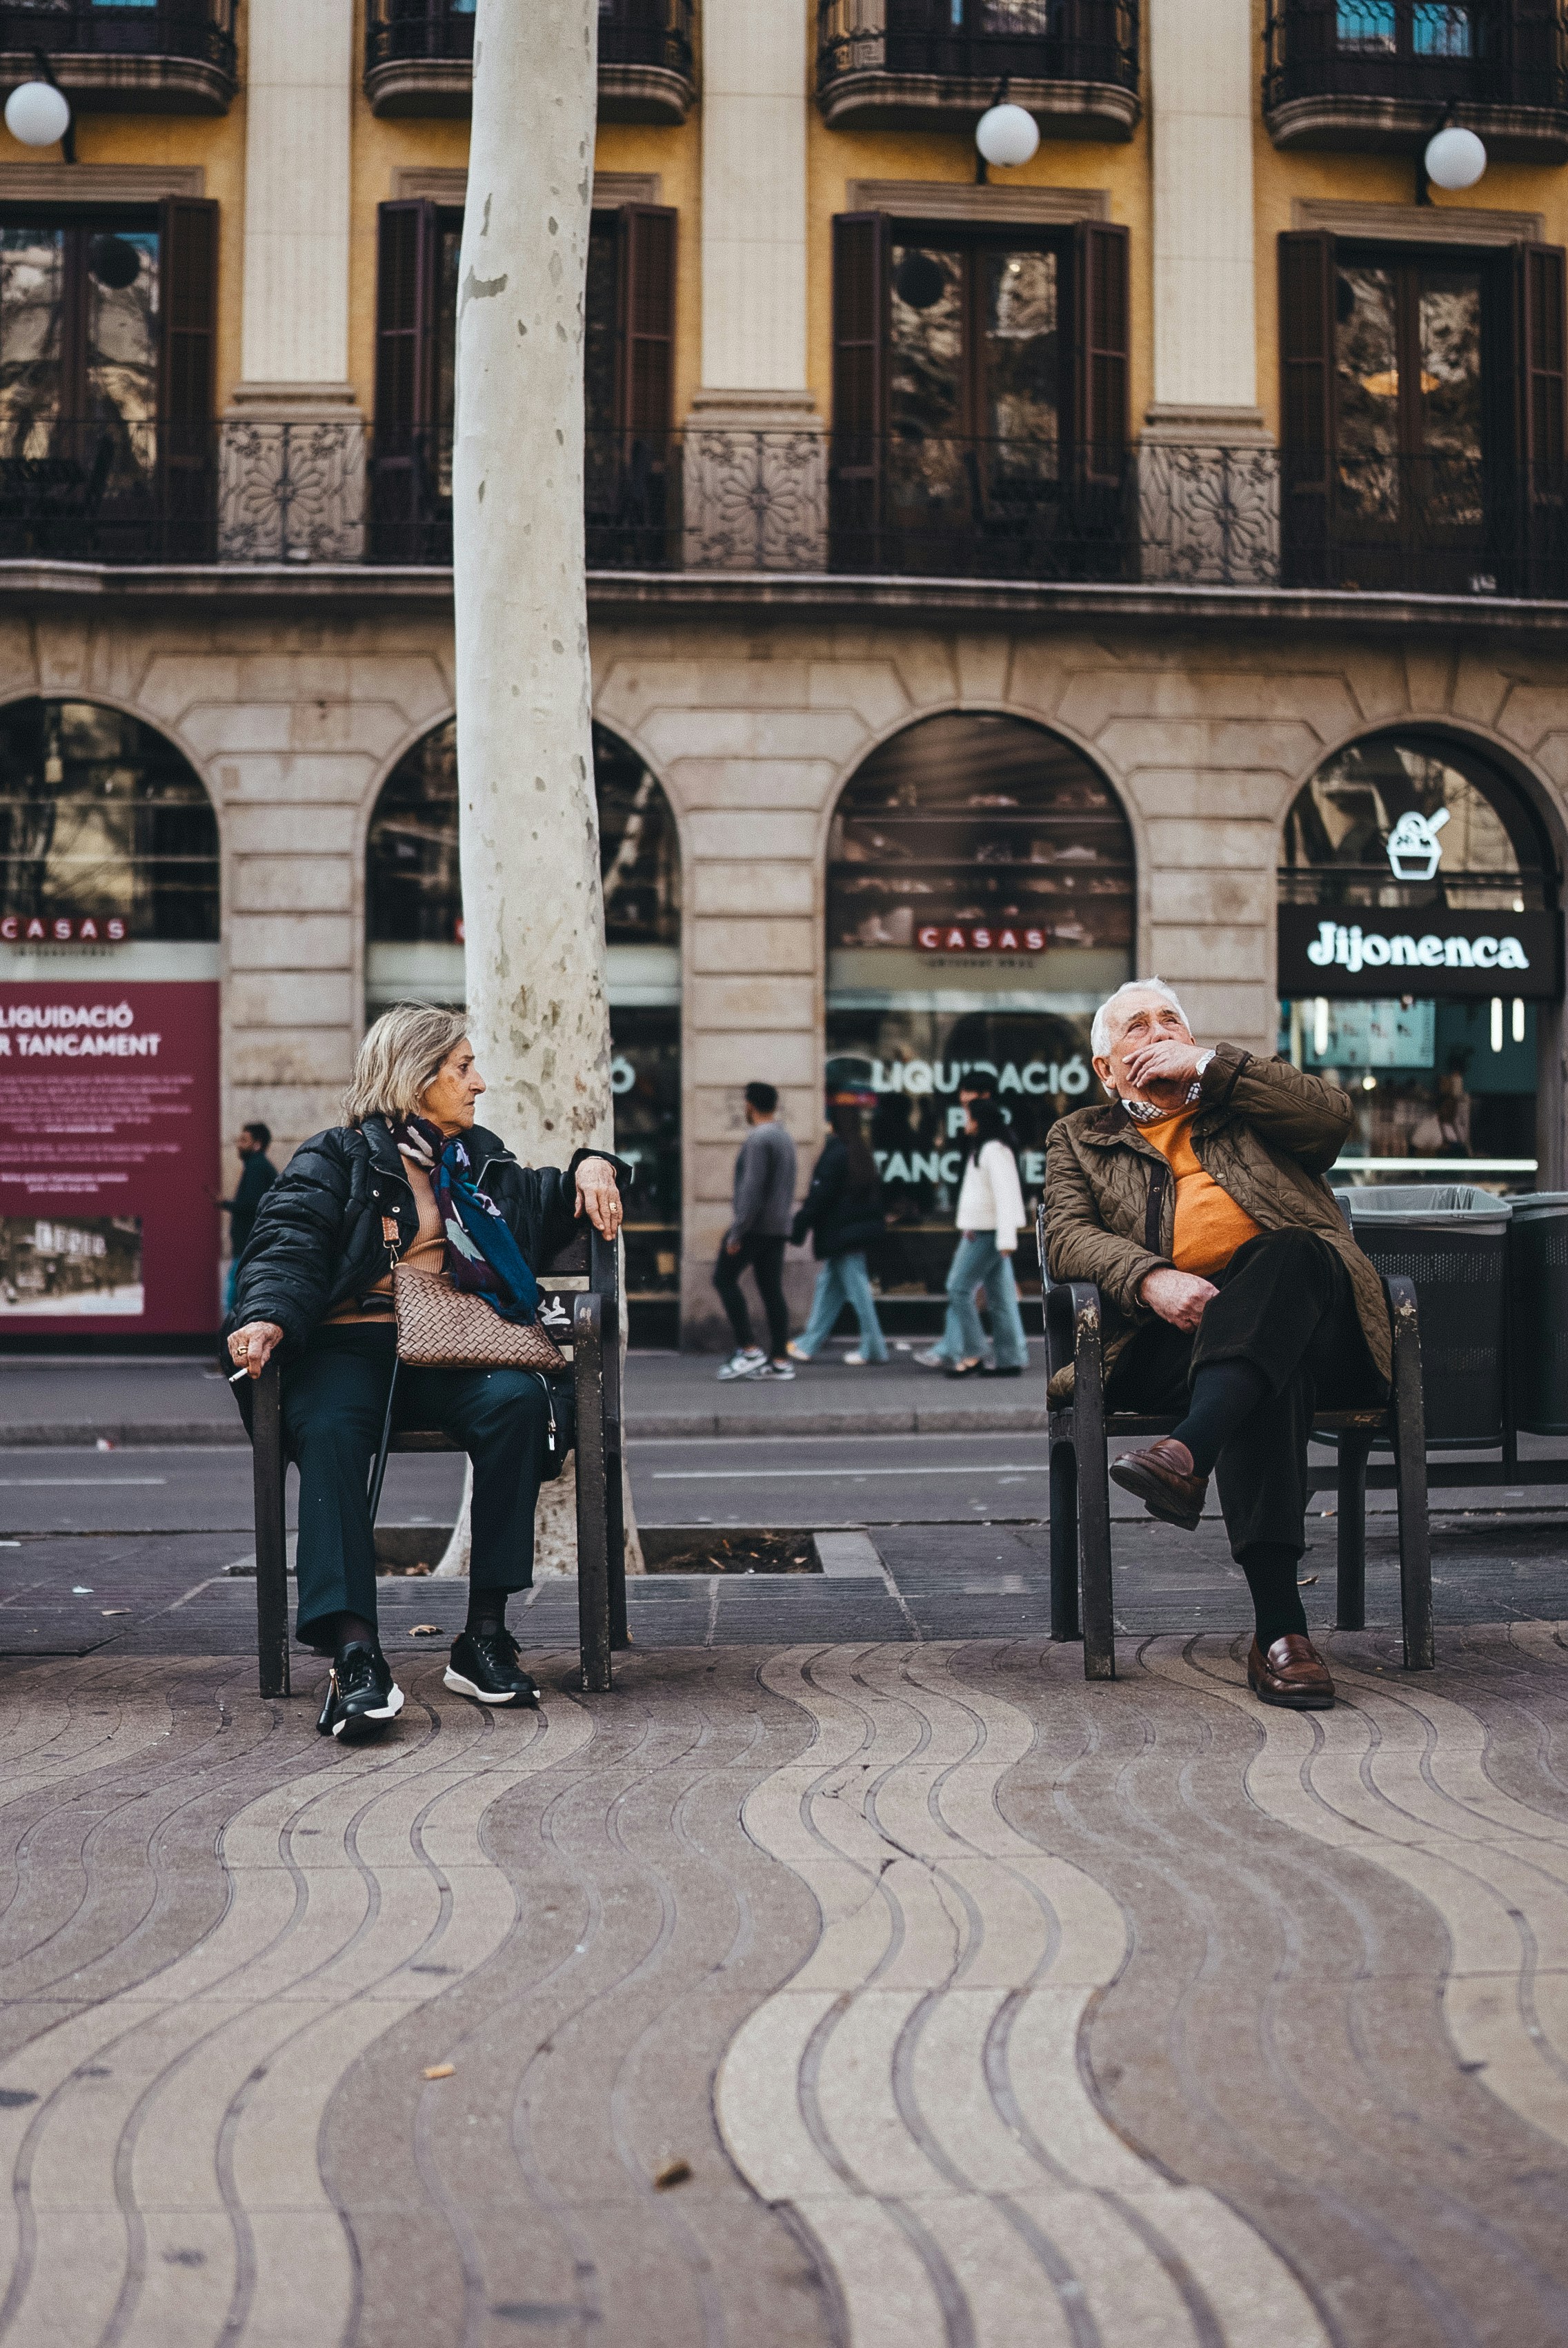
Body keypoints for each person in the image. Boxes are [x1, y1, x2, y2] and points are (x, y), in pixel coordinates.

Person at [224, 1004, 625, 1742]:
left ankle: (483, 1637)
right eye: (463, 1068)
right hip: (349, 1349)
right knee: (330, 1429)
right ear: (415, 1078)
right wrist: (267, 1315)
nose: (480, 1083)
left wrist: (592, 1162)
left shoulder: (481, 1163)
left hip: (449, 1352)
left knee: (513, 1402)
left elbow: (554, 1194)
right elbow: (284, 1246)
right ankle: (353, 1654)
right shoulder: (337, 1156)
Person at [1042, 978, 1391, 1713]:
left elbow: (1331, 1122)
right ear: (1105, 1068)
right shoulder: (1078, 1136)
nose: (1158, 1030)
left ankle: (1185, 1452)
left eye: (1170, 1019)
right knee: (1267, 1369)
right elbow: (1065, 1236)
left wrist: (1210, 1069)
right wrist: (1149, 1279)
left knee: (1290, 1253)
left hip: (1310, 1310)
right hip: (1168, 1338)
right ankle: (1282, 1634)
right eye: (1135, 1026)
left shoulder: (1245, 1097)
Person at [916, 1096, 1030, 1379]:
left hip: (989, 1234)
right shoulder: (986, 1148)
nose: (965, 1123)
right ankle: (1009, 1359)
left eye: (969, 1118)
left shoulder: (993, 1150)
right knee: (1000, 1297)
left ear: (979, 1122)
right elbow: (985, 1196)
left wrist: (1006, 1240)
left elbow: (1006, 1197)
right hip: (983, 1230)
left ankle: (974, 1353)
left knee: (958, 1287)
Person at [787, 1103, 889, 1365]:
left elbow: (819, 1195)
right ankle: (809, 1343)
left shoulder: (835, 1152)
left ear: (832, 1125)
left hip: (840, 1234)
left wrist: (799, 1225)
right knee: (828, 1287)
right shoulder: (861, 1152)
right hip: (851, 1233)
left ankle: (875, 1347)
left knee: (858, 1292)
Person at [714, 1081, 798, 1381]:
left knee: (723, 1279)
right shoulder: (784, 1138)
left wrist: (737, 1233)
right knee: (771, 1290)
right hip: (776, 1228)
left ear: (750, 1105)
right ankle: (780, 1359)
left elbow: (751, 1190)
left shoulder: (759, 1140)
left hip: (754, 1228)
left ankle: (749, 1349)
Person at [216, 1123, 276, 1312]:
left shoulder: (257, 1168)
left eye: (244, 1140)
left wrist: (225, 1203)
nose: (239, 1145)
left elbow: (252, 1206)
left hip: (247, 1249)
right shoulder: (258, 1166)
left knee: (232, 1303)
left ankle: (229, 1341)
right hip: (250, 1247)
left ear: (257, 1144)